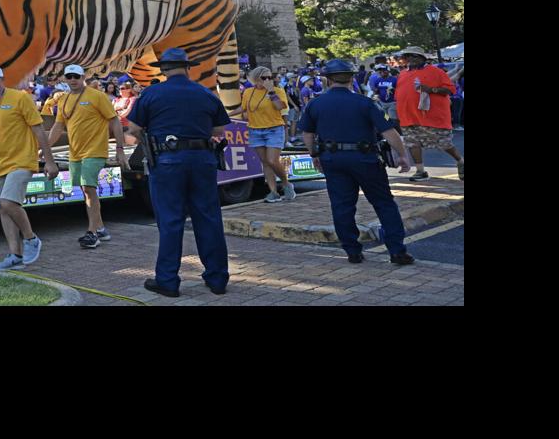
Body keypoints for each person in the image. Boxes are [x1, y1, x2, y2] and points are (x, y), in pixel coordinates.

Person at [124, 47, 231, 297]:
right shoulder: (206, 93)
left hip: (168, 161)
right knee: (209, 218)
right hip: (203, 159)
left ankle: (168, 281)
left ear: (164, 70)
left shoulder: (152, 94)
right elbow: (218, 131)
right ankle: (217, 279)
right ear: (187, 67)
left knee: (171, 221)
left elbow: (134, 129)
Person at [298, 60, 417, 266]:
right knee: (384, 203)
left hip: (332, 159)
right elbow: (389, 132)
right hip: (365, 158)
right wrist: (403, 155)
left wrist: (314, 154)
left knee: (342, 206)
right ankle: (397, 251)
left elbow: (307, 133)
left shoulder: (315, 104)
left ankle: (352, 251)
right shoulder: (365, 103)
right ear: (351, 78)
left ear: (327, 79)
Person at [0, 64, 56, 271]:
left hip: (21, 160)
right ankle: (15, 255)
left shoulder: (20, 98)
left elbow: (38, 130)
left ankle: (31, 239)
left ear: (1, 79)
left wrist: (49, 161)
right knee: (3, 208)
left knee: (8, 203)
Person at [46, 65, 126, 249]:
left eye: (76, 76)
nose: (72, 79)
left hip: (95, 150)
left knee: (88, 187)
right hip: (76, 153)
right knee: (85, 190)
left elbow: (114, 120)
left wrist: (120, 149)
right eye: (69, 76)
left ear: (83, 77)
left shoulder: (97, 96)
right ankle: (100, 228)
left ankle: (92, 233)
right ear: (64, 79)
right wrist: (46, 148)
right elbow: (58, 126)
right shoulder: (64, 99)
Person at [393, 46, 463, 181]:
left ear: (422, 58)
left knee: (444, 143)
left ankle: (460, 160)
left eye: (414, 56)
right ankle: (420, 171)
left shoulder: (436, 71)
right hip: (408, 116)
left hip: (431, 115)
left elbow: (449, 90)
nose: (410, 59)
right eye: (408, 56)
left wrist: (431, 90)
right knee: (412, 143)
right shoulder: (402, 74)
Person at [232, 66, 296, 203]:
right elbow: (243, 108)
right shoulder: (248, 92)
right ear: (256, 79)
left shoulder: (278, 91)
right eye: (264, 77)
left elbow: (280, 107)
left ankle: (286, 184)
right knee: (265, 162)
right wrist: (226, 114)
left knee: (272, 160)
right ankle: (273, 192)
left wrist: (271, 92)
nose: (267, 80)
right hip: (255, 130)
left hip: (274, 129)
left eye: (269, 77)